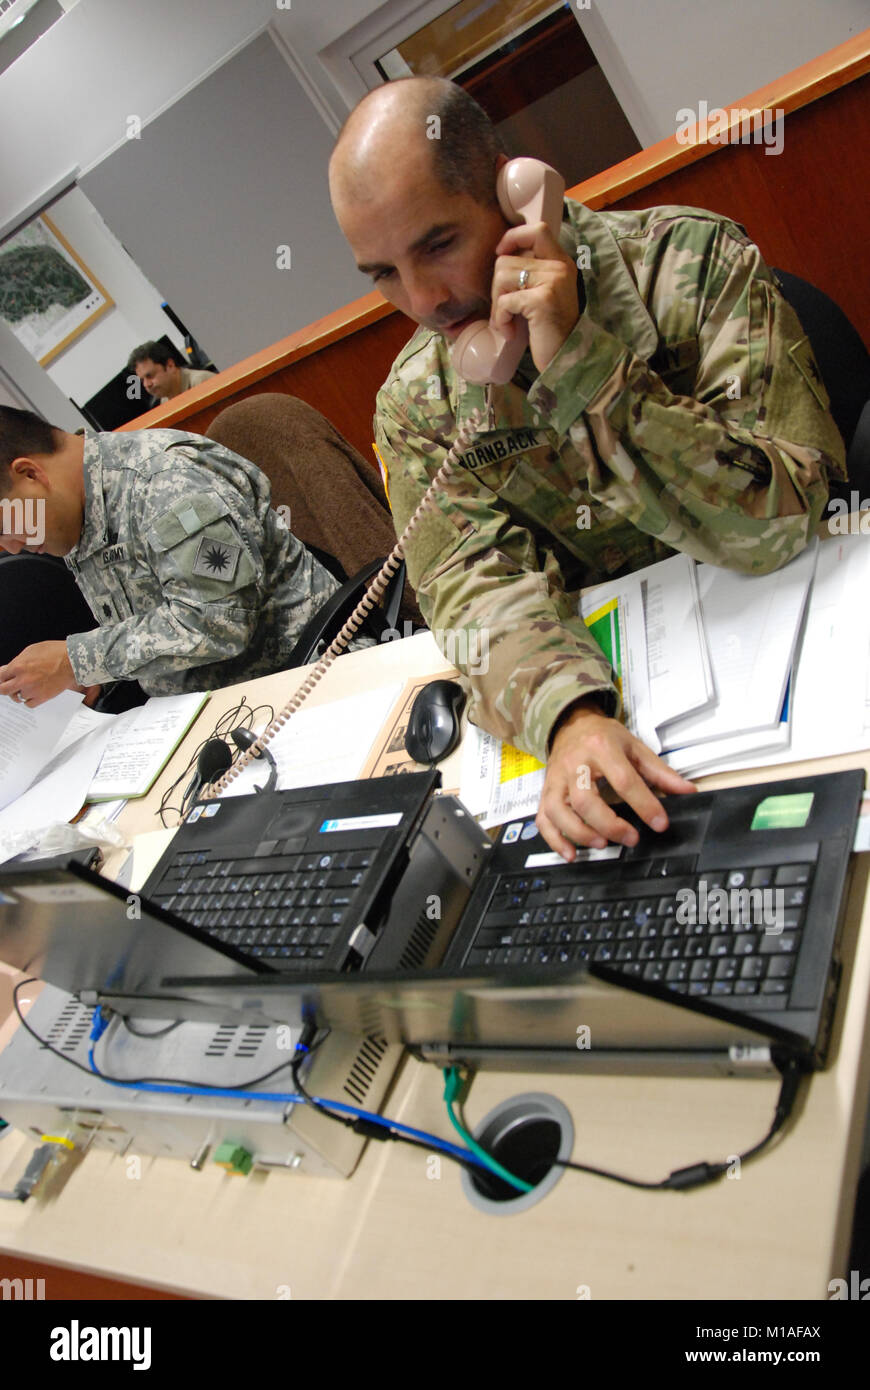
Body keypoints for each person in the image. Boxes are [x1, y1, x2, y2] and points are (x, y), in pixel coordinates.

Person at [328, 76, 846, 860]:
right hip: (644, 703)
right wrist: (568, 715)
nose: (425, 300)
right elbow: (475, 589)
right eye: (383, 273)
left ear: (512, 192)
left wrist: (581, 364)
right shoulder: (418, 403)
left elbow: (776, 523)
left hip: (798, 640)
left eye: (437, 245)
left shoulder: (694, 263)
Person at [0, 406, 346, 707]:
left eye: (6, 526)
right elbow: (152, 625)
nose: (13, 547)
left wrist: (76, 661)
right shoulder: (74, 515)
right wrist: (96, 676)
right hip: (211, 710)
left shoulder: (165, 481)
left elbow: (218, 624)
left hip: (309, 682)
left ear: (31, 474)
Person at [127, 340, 214, 403]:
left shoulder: (202, 382)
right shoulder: (165, 400)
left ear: (170, 365)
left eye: (150, 376)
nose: (147, 384)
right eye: (142, 380)